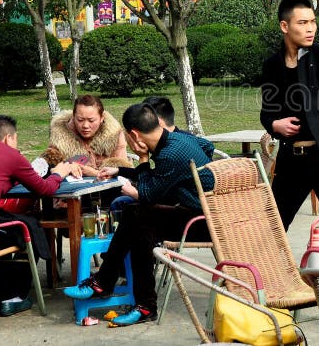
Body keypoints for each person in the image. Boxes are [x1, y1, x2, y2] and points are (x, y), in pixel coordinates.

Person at [65, 103, 214, 326]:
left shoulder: (170, 154)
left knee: (136, 213)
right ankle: (139, 303)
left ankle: (106, 284)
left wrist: (142, 159)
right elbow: (206, 147)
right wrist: (121, 170)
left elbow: (146, 194)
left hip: (204, 223)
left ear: (133, 134)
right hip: (205, 214)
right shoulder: (180, 139)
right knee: (139, 225)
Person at [259, 0, 319, 261]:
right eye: (302, 23)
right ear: (284, 26)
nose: (311, 28)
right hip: (291, 159)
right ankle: (273, 288)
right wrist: (274, 124)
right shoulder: (272, 65)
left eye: (313, 22)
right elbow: (267, 111)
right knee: (275, 227)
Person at [0, 115, 79, 316]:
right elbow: (45, 189)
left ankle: (0, 292)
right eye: (16, 139)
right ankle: (11, 297)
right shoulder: (9, 155)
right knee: (32, 229)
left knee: (19, 224)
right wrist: (59, 173)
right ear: (8, 138)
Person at [45, 94, 131, 176]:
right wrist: (67, 166)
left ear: (101, 118)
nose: (85, 126)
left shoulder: (113, 133)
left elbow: (123, 170)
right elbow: (50, 164)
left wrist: (94, 173)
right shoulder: (60, 133)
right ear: (73, 117)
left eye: (91, 120)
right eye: (80, 120)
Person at [142, 96, 216, 159]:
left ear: (156, 122)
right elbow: (208, 146)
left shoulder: (169, 150)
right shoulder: (185, 136)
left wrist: (143, 158)